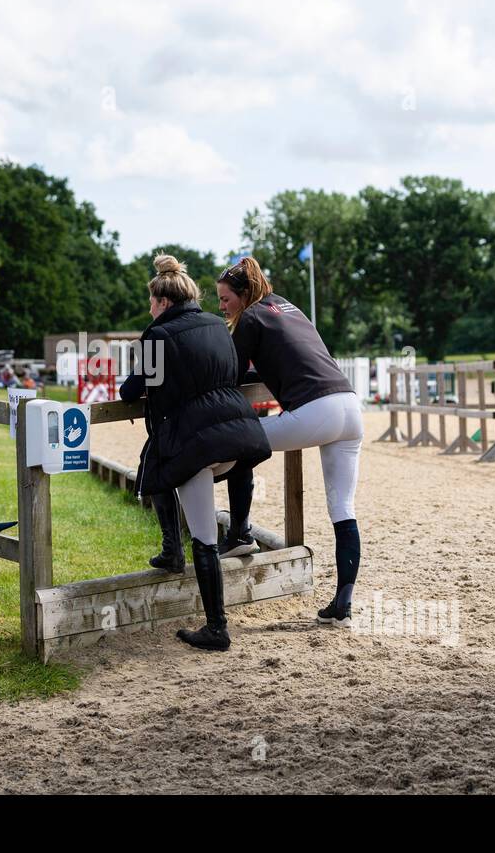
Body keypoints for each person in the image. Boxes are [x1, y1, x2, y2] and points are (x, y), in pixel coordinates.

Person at [120, 254, 271, 651]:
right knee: (155, 465)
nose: (150, 310)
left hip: (195, 443)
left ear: (164, 302)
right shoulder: (217, 325)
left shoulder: (155, 335)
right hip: (237, 435)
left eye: (152, 304)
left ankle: (217, 627)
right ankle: (228, 533)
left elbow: (129, 392)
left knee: (202, 535)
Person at [214, 257, 363, 628]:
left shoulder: (250, 318)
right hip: (350, 406)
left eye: (224, 298)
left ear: (243, 294)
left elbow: (231, 373)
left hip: (316, 412)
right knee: (343, 509)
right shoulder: (290, 307)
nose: (221, 306)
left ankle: (239, 533)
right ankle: (342, 604)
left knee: (239, 442)